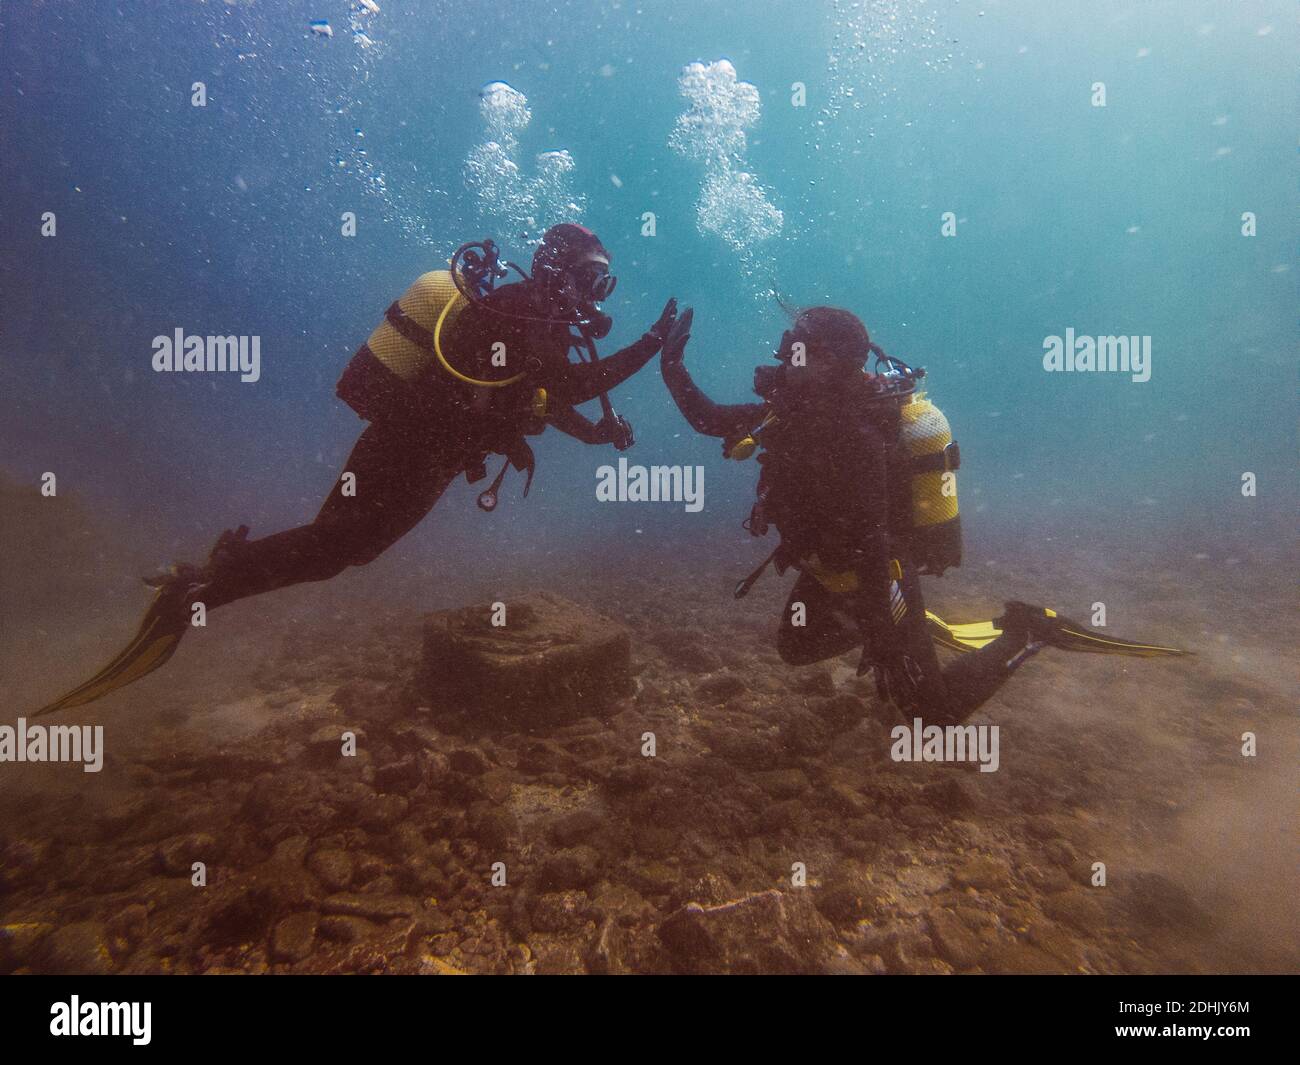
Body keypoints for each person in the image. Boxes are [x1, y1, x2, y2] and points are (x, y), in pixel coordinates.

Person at [37, 223, 690, 715]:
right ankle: (199, 587)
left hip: (424, 447)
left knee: (338, 546)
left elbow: (538, 395)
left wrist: (597, 431)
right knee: (338, 545)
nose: (595, 294)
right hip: (412, 445)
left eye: (603, 282)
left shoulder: (531, 317)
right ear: (558, 270)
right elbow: (567, 383)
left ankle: (206, 581)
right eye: (592, 277)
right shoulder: (524, 310)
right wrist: (650, 345)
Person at [659, 305, 1186, 725]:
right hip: (831, 570)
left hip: (877, 574)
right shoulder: (793, 410)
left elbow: (872, 538)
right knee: (798, 647)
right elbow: (710, 420)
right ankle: (907, 629)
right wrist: (672, 366)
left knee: (928, 717)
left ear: (831, 360)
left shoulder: (856, 433)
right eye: (786, 346)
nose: (783, 357)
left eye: (797, 349)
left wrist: (883, 628)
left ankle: (1027, 631)